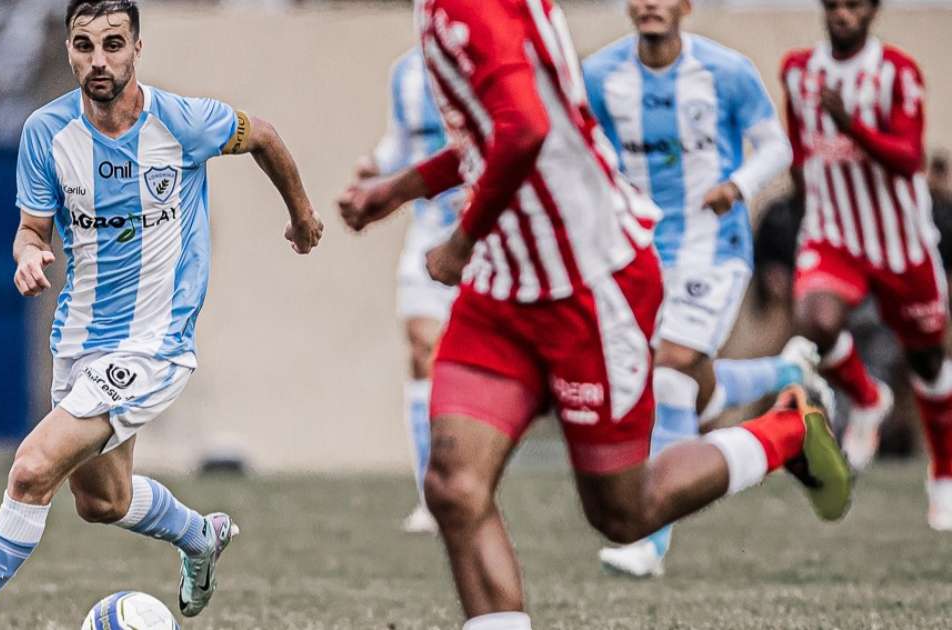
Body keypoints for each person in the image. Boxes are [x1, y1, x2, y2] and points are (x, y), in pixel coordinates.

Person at [339, 1, 851, 628]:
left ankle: (789, 429)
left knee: (624, 512)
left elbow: (526, 127)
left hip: (589, 285)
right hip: (505, 284)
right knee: (453, 485)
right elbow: (503, 131)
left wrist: (462, 240)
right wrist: (398, 189)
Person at [0, 1, 324, 628]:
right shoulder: (46, 133)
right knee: (102, 500)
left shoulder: (182, 121)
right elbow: (32, 229)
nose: (99, 60)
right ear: (69, 49)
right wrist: (28, 255)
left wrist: (301, 215)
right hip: (81, 340)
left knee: (32, 470)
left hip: (155, 342)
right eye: (84, 45)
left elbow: (265, 136)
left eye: (113, 44)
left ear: (137, 47)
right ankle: (199, 536)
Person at [582, 0, 815, 578]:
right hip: (636, 251)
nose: (650, 5)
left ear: (685, 6)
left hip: (713, 246)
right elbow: (584, 153)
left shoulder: (725, 71)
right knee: (679, 384)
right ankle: (787, 374)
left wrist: (737, 185)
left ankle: (650, 541)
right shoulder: (600, 76)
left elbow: (776, 147)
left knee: (671, 367)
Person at [782, 0, 951, 529]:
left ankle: (944, 476)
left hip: (900, 242)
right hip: (834, 234)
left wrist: (851, 125)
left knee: (929, 363)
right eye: (834, 5)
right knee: (814, 319)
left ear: (873, 11)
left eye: (853, 6)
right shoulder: (798, 72)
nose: (842, 15)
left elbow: (909, 158)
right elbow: (799, 152)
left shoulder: (896, 73)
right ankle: (867, 398)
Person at [342, 46, 464, 534]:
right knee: (422, 347)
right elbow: (403, 141)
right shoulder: (408, 72)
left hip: (495, 231)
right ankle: (433, 495)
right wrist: (374, 166)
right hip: (430, 231)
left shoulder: (490, 55)